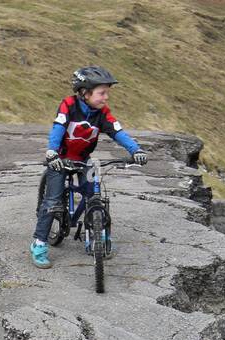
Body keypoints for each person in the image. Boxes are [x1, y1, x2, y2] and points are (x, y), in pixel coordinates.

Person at [31, 66, 148, 269]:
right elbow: (58, 128)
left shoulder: (102, 113)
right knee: (52, 202)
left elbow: (117, 131)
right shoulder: (68, 105)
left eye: (107, 93)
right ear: (85, 93)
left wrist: (135, 150)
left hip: (84, 159)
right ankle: (39, 244)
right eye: (102, 93)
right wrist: (52, 152)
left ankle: (97, 237)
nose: (106, 97)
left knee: (94, 196)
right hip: (60, 159)